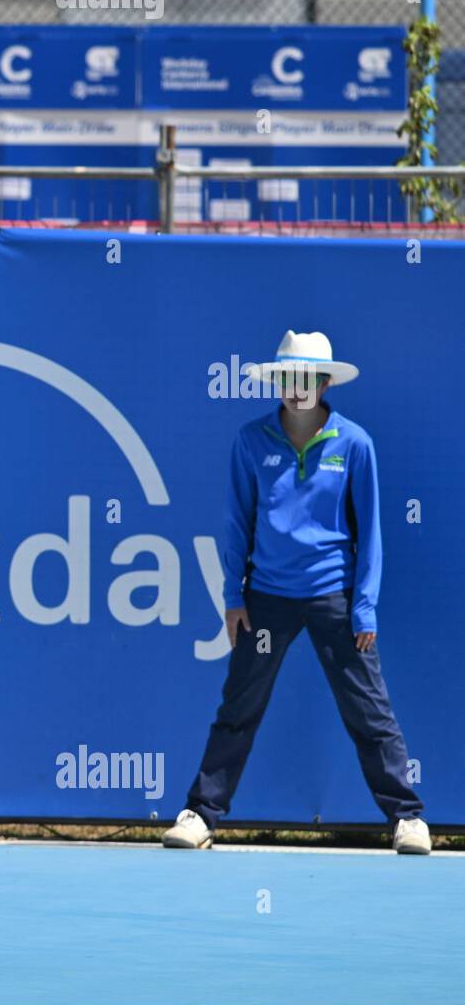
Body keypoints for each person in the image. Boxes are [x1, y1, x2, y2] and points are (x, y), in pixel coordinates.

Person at [165, 331, 429, 854]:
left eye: (306, 378)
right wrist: (232, 597)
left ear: (325, 382)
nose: (296, 388)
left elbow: (370, 531)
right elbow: (236, 522)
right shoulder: (250, 440)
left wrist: (364, 606)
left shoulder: (355, 444)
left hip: (335, 596)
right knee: (238, 708)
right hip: (266, 599)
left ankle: (407, 818)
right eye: (288, 377)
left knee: (368, 712)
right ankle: (201, 813)